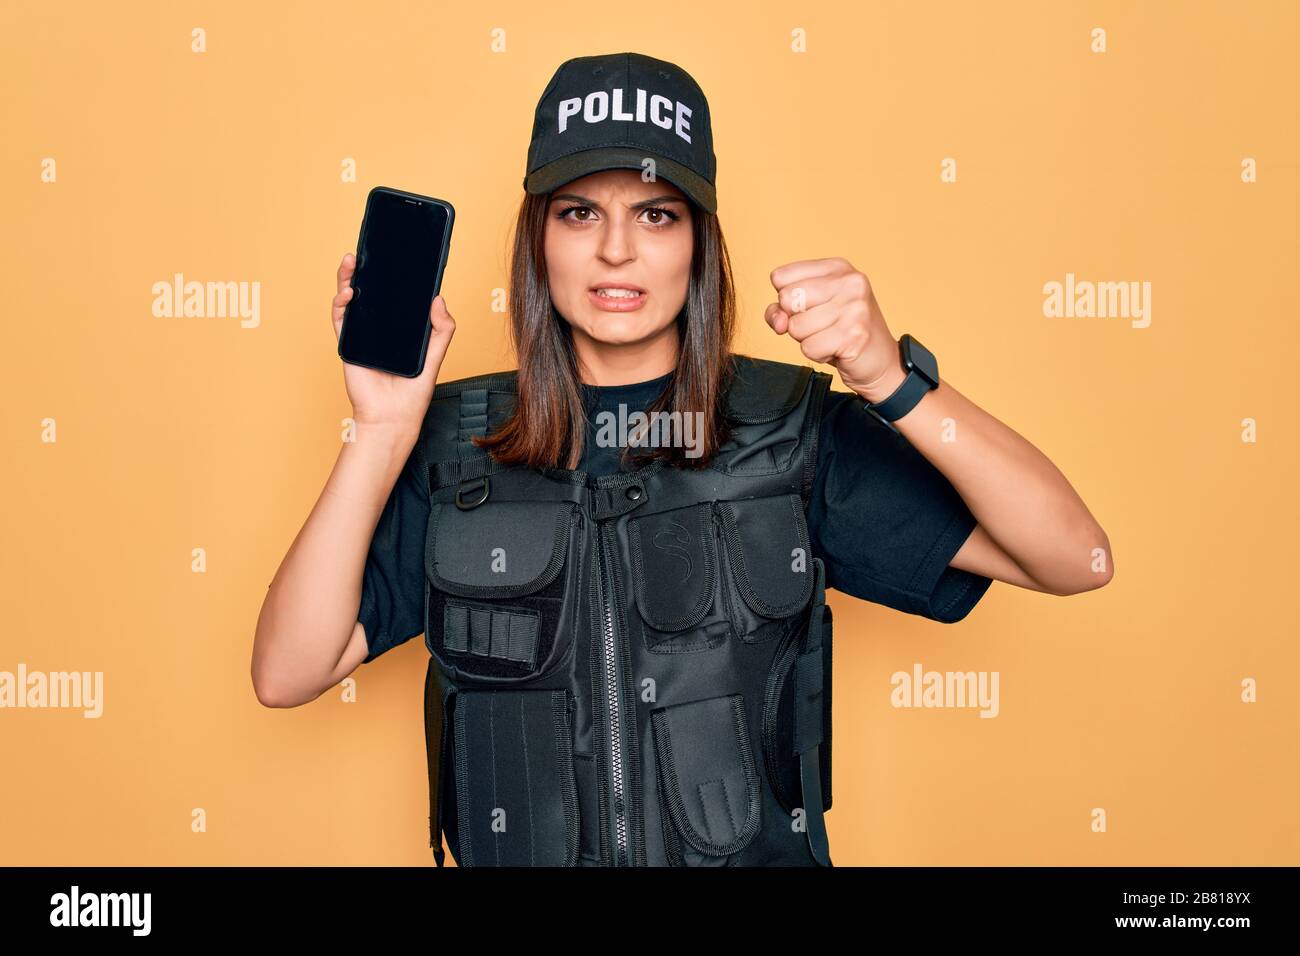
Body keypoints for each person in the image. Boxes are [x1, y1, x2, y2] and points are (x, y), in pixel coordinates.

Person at [252, 52, 1114, 866]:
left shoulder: (786, 431)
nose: (617, 250)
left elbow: (1075, 558)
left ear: (699, 244)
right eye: (580, 211)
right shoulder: (453, 443)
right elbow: (287, 673)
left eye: (655, 214)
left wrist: (892, 379)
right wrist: (380, 431)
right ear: (538, 242)